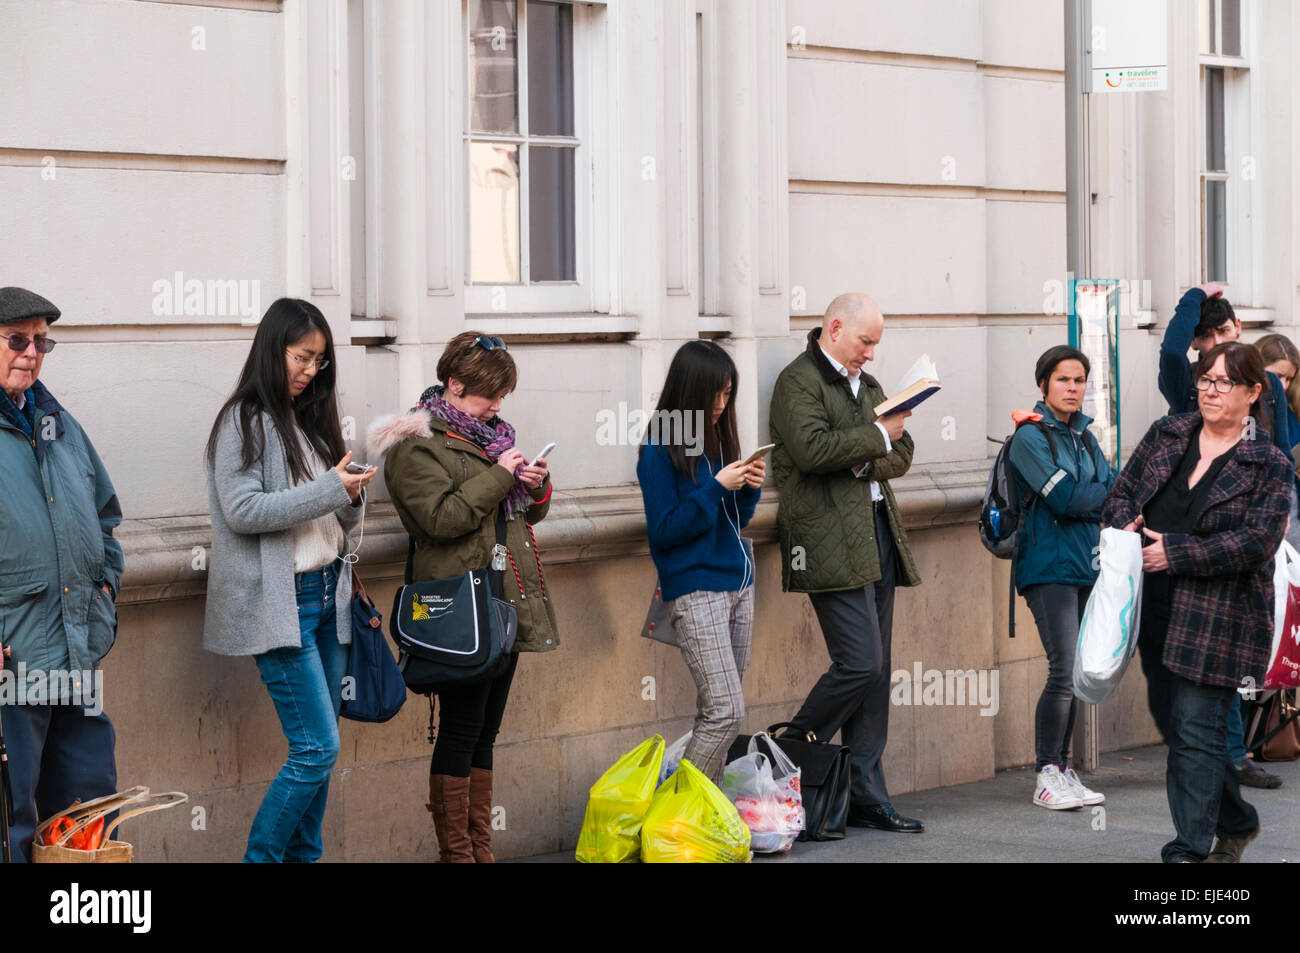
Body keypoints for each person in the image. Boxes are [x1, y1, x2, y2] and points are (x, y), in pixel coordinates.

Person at [367, 331, 557, 863]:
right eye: (488, 396)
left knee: (485, 734)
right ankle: (458, 855)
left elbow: (517, 513)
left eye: (503, 397)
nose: (498, 407)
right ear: (453, 385)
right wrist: (501, 475)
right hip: (461, 605)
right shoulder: (415, 441)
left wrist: (534, 483)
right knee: (460, 730)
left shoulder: (489, 436)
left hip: (505, 600)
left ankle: (480, 850)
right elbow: (441, 518)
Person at [1103, 342, 1290, 862]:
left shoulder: (1267, 465)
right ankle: (1237, 819)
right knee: (1184, 727)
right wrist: (1127, 523)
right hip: (1151, 607)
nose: (1210, 390)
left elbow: (1257, 543)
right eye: (1205, 379)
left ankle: (1187, 850)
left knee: (1193, 731)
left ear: (1253, 393)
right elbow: (1119, 494)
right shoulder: (1167, 435)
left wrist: (1178, 553)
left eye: (1224, 382)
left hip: (1219, 617)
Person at [204, 298, 374, 863]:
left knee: (323, 753)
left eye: (319, 362)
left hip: (328, 595)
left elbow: (332, 519)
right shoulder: (242, 420)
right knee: (315, 750)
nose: (310, 371)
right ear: (273, 349)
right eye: (303, 357)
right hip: (283, 604)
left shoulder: (307, 422)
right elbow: (243, 511)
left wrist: (349, 493)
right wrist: (330, 489)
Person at [769, 292, 923, 833]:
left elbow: (902, 455)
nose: (872, 354)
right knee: (861, 662)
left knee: (876, 673)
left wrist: (865, 453)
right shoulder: (798, 382)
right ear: (835, 328)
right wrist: (876, 439)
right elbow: (811, 451)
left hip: (877, 532)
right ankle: (785, 751)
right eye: (866, 341)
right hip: (827, 536)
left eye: (876, 343)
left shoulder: (867, 384)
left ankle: (866, 792)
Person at [0, 287, 123, 862]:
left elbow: (106, 517)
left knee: (86, 821)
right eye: (17, 339)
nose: (31, 352)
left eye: (41, 340)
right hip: (10, 668)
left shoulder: (58, 423)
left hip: (76, 657)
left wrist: (105, 593)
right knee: (12, 826)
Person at [1156, 284, 1285, 789]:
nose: (1216, 343)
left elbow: (1285, 452)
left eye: (1224, 331)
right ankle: (1224, 757)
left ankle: (1229, 753)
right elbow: (1170, 349)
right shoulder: (1189, 385)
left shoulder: (1263, 388)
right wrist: (1190, 297)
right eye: (1205, 337)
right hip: (1198, 540)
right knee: (1206, 651)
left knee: (1236, 647)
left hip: (1253, 536)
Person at [637, 341, 763, 785]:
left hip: (740, 583)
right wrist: (715, 488)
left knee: (716, 712)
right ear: (689, 391)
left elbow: (735, 521)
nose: (720, 404)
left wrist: (747, 488)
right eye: (713, 393)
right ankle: (678, 809)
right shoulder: (658, 448)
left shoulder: (716, 440)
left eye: (728, 393)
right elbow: (666, 531)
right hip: (695, 589)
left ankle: (694, 819)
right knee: (727, 712)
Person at [1009, 346, 1114, 810]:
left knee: (1076, 671)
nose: (1073, 388)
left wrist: (1098, 495)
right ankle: (1046, 773)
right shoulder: (1029, 439)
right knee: (1063, 669)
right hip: (1047, 567)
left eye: (1079, 380)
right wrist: (1100, 495)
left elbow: (1116, 490)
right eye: (1062, 380)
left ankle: (1064, 769)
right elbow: (1067, 500)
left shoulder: (1086, 437)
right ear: (1043, 386)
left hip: (1086, 564)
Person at [1255, 334, 1300, 547]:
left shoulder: (1290, 412)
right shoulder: (1250, 412)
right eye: (1277, 376)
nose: (1282, 385)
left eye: (1288, 378)